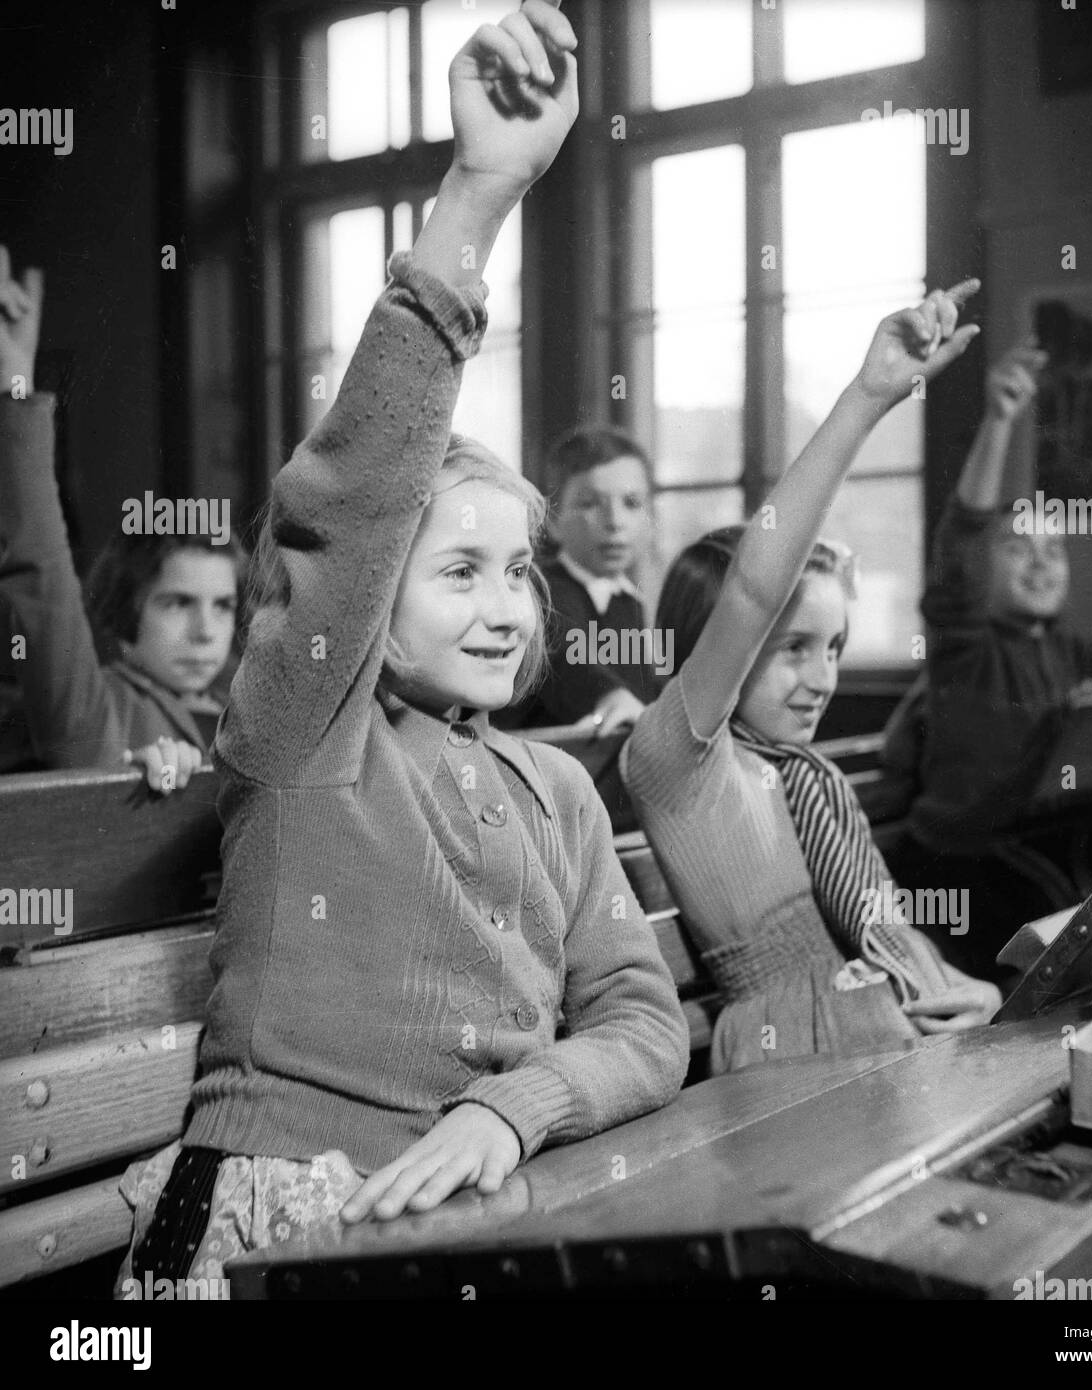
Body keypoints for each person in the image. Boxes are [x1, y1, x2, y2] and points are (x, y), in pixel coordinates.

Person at [114, 0, 688, 1297]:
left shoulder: (560, 791)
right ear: (375, 600)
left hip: (485, 1209)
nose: (505, 602)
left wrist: (519, 1104)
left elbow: (644, 1020)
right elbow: (353, 497)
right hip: (283, 1219)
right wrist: (475, 205)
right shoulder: (308, 734)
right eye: (460, 570)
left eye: (520, 572)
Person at [622, 280, 1001, 1076]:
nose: (823, 678)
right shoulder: (680, 762)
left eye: (835, 648)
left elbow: (887, 929)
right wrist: (866, 400)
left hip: (894, 1036)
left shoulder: (807, 779)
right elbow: (758, 585)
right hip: (796, 1062)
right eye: (793, 647)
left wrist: (972, 992)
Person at [884, 340, 1092, 982]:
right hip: (958, 861)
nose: (1041, 562)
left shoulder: (1067, 650)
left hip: (1033, 841)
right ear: (982, 571)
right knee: (1069, 949)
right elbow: (962, 535)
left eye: (1054, 549)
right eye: (1019, 547)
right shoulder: (965, 644)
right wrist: (1000, 421)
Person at [0, 250, 243, 791]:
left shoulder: (248, 705)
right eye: (177, 603)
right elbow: (42, 577)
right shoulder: (97, 706)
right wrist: (14, 388)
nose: (207, 634)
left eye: (223, 606)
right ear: (126, 607)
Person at [507, 426, 660, 735]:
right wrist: (609, 694)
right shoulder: (540, 589)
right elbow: (565, 655)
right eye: (590, 504)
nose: (615, 522)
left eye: (631, 503)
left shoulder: (629, 601)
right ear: (552, 520)